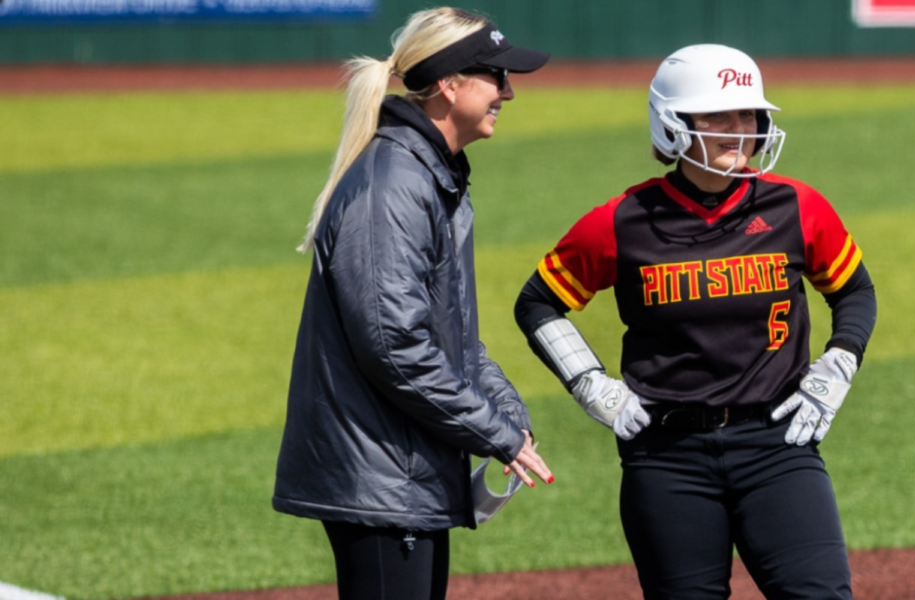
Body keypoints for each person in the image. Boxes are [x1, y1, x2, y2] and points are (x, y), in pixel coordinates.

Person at [514, 44, 877, 599]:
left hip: (777, 445)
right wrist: (589, 383)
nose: (741, 129)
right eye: (719, 116)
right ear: (673, 124)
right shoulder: (622, 222)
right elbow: (538, 301)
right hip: (666, 457)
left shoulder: (795, 206)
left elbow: (854, 289)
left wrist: (840, 360)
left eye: (750, 115)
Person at [272, 8, 553, 600]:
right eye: (495, 77)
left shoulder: (430, 174)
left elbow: (451, 335)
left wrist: (505, 411)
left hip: (406, 470)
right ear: (449, 85)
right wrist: (492, 431)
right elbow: (395, 346)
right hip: (382, 478)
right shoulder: (394, 183)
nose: (507, 91)